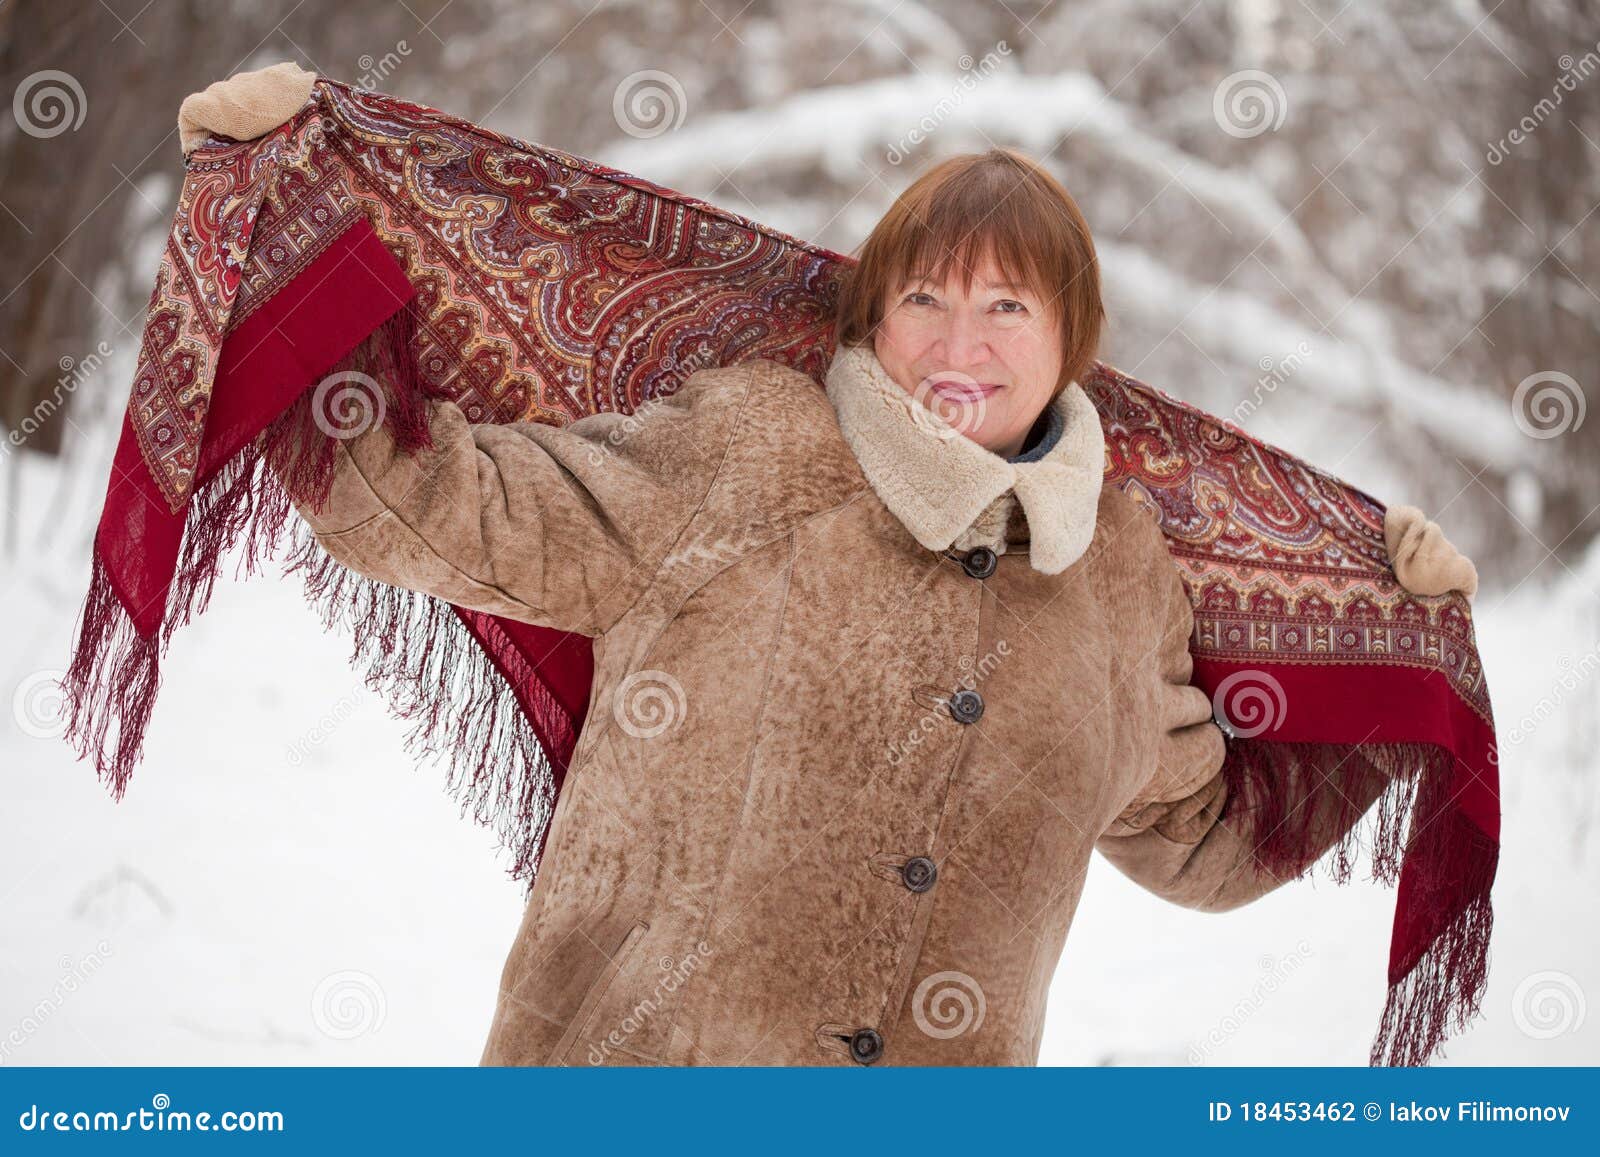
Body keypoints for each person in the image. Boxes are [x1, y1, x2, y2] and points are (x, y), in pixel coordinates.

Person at [271, 141, 1415, 1067]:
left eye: (1007, 305)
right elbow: (442, 505)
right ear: (872, 319)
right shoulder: (750, 452)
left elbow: (1201, 842)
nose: (960, 344)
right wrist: (294, 234)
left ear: (1072, 341)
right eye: (924, 297)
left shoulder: (1115, 573)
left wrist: (1404, 655)